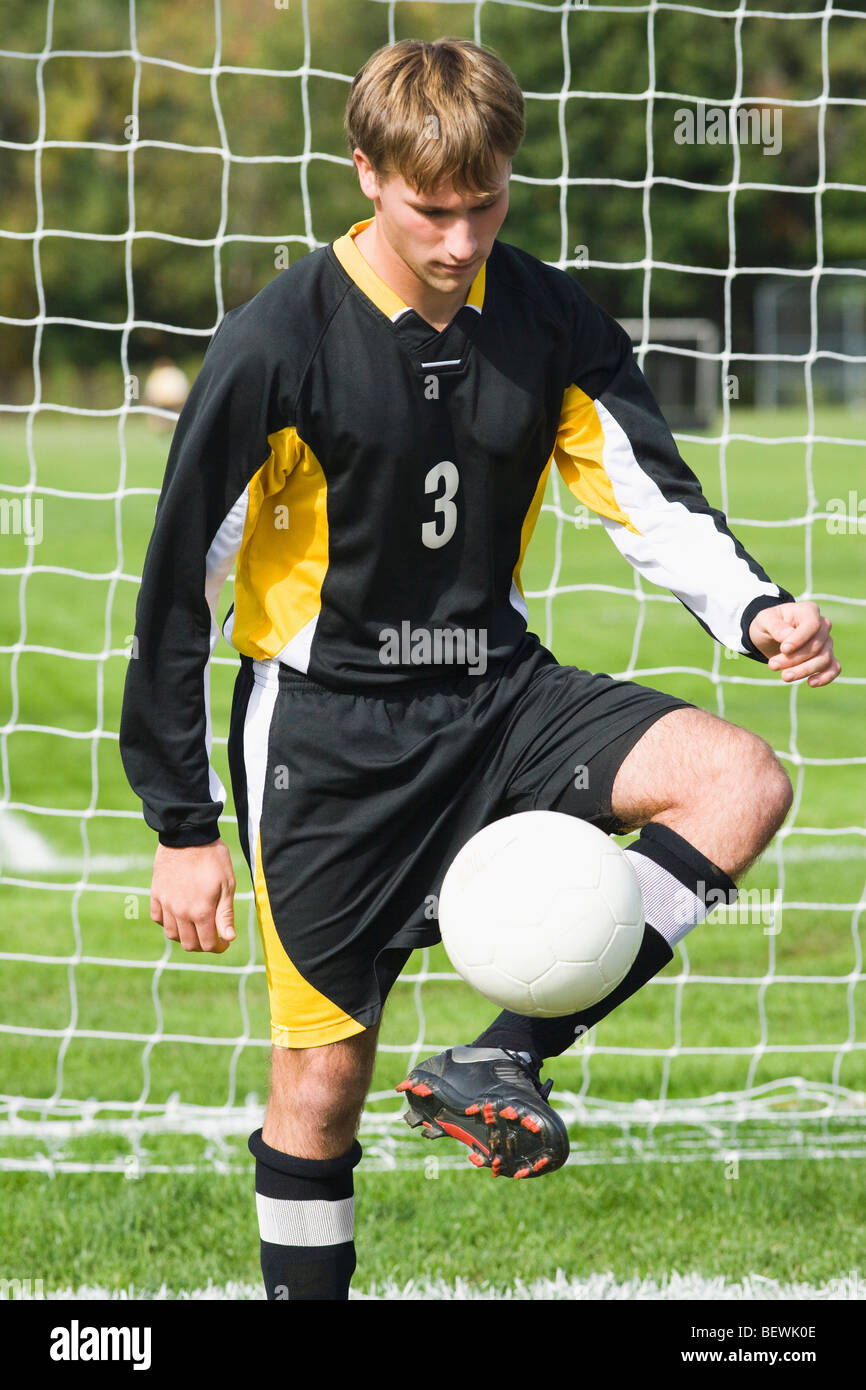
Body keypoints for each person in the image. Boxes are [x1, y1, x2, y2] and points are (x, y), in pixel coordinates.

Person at [119, 37, 840, 1301]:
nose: (458, 240)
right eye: (428, 210)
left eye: (484, 204)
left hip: (501, 697)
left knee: (736, 780)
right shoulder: (274, 344)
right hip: (327, 736)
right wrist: (184, 823)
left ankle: (501, 1059)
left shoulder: (547, 314)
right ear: (365, 175)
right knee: (323, 1081)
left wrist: (753, 609)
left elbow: (646, 495)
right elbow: (177, 589)